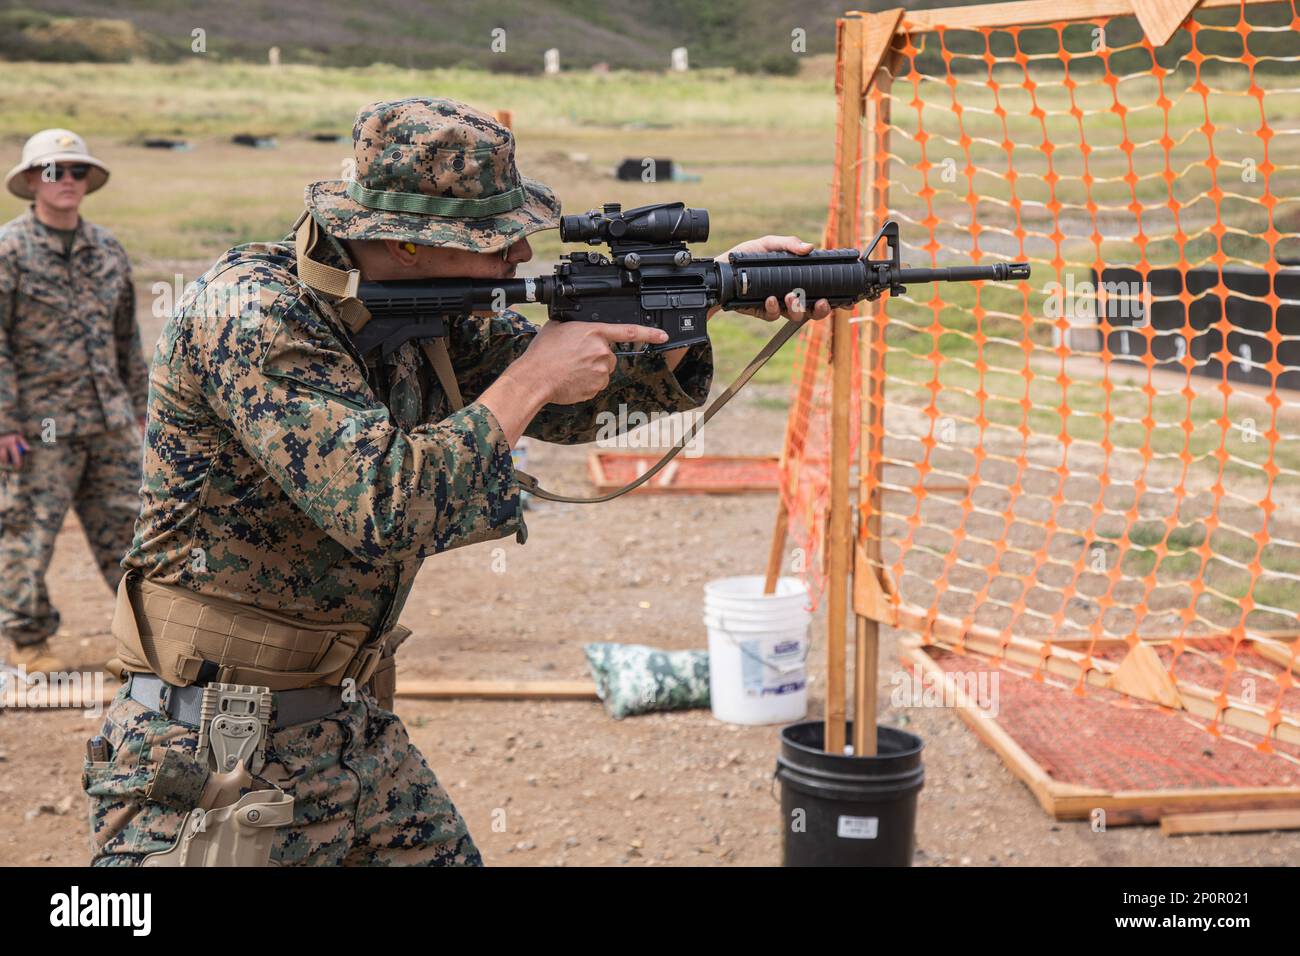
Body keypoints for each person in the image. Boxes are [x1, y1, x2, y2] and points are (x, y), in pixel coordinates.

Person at [85, 97, 831, 866]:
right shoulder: (251, 313)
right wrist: (533, 376)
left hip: (343, 722)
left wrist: (700, 300)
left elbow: (580, 402)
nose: (516, 256)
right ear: (407, 245)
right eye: (493, 239)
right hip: (213, 743)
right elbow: (382, 502)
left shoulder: (428, 309)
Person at [0, 129, 148, 677]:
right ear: (32, 181)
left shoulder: (107, 247)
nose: (65, 181)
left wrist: (138, 406)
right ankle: (29, 640)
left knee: (133, 533)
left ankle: (143, 644)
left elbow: (125, 336)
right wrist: (3, 423)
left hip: (108, 420)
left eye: (76, 171)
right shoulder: (9, 250)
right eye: (53, 171)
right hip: (39, 426)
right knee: (27, 532)